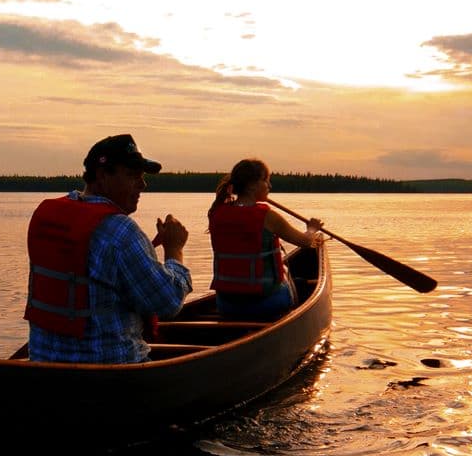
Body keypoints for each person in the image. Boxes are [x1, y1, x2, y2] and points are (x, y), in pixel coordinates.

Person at [24, 134, 192, 364]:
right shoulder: (120, 230)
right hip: (109, 374)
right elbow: (167, 303)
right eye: (132, 175)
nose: (143, 184)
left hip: (43, 366)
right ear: (102, 176)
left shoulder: (46, 215)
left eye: (142, 176)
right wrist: (174, 250)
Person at [207, 158, 322, 320]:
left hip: (226, 304)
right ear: (253, 185)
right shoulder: (267, 216)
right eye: (266, 180)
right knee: (286, 271)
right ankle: (291, 314)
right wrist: (312, 229)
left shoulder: (216, 213)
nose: (269, 186)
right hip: (265, 304)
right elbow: (305, 242)